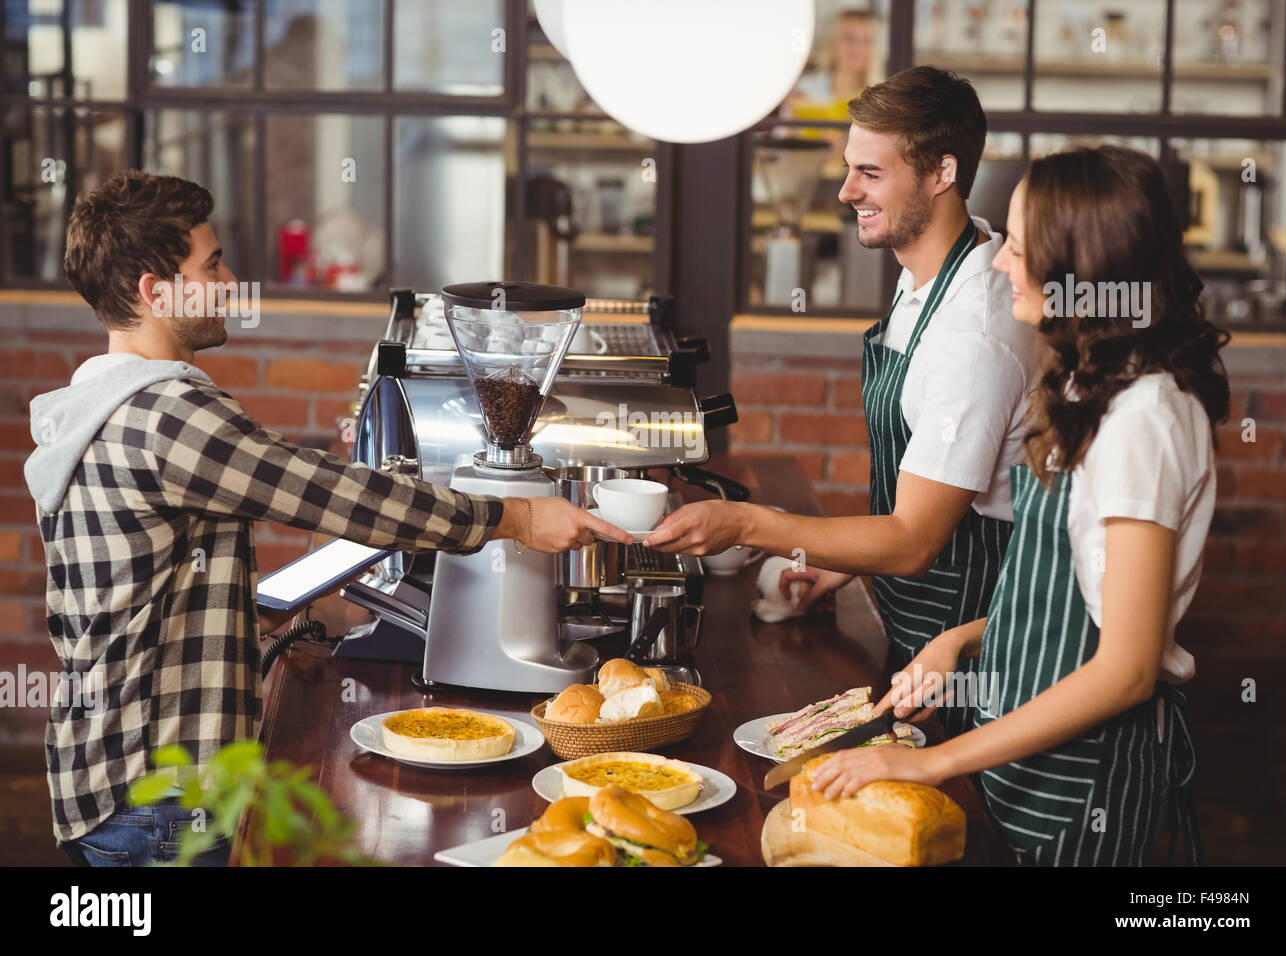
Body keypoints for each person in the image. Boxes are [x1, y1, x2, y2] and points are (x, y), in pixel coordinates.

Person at [25, 170, 630, 866]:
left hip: (105, 772)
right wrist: (516, 519)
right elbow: (342, 498)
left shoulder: (102, 403)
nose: (231, 281)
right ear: (155, 292)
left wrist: (234, 614)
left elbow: (134, 580)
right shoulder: (167, 416)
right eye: (212, 263)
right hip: (159, 795)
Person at [813, 146, 1224, 866]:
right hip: (1021, 753)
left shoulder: (1144, 421)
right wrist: (963, 641)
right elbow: (1065, 591)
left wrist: (932, 763)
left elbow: (1125, 667)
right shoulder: (1085, 388)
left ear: (1081, 271)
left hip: (1081, 778)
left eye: (1022, 248)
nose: (1001, 262)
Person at [646, 67, 1037, 737]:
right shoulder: (929, 274)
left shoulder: (973, 334)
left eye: (870, 173)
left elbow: (914, 540)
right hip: (913, 626)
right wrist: (841, 564)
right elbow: (920, 495)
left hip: (974, 659)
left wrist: (746, 523)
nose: (845, 190)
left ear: (942, 172)